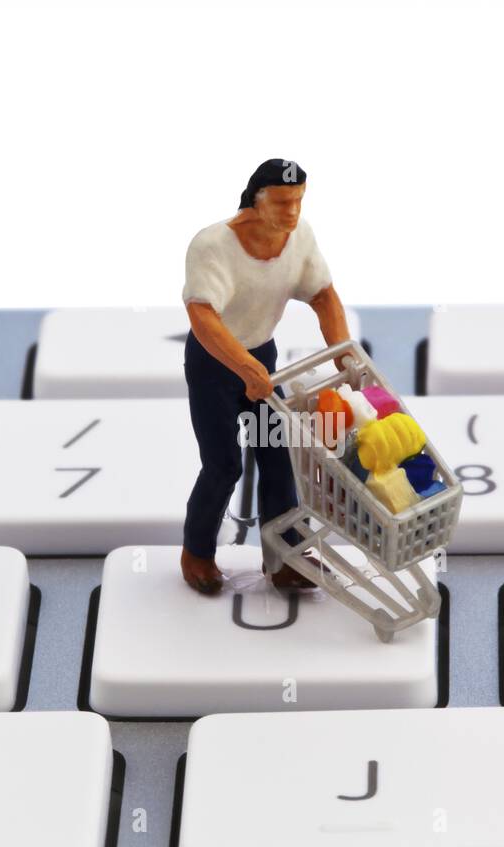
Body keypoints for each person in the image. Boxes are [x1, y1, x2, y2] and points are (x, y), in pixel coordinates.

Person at [180, 158, 349, 594]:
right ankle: (197, 553)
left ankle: (285, 558)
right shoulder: (213, 245)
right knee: (223, 466)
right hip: (214, 366)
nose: (292, 211)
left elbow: (324, 296)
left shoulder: (299, 237)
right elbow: (202, 315)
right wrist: (246, 367)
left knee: (280, 459)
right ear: (254, 202)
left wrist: (342, 353)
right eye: (281, 201)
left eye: (298, 200)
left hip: (262, 358)